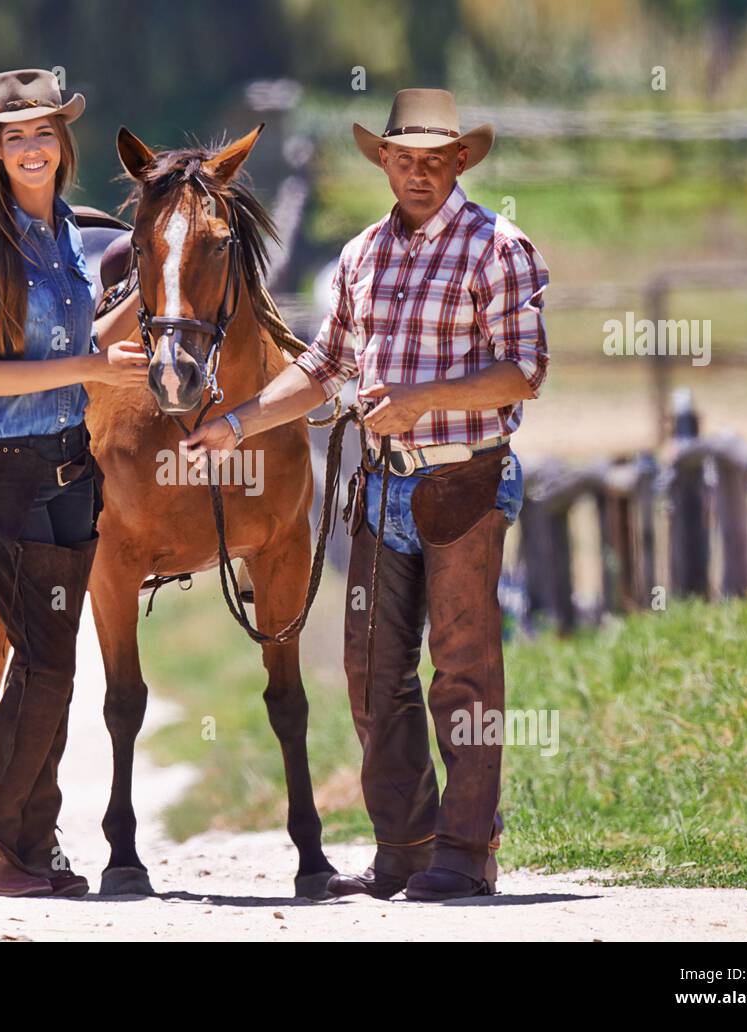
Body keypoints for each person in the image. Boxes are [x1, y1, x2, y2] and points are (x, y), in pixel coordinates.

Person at [184, 89, 549, 901]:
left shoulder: (499, 247)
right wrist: (237, 424)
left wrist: (422, 399)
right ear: (383, 161)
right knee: (371, 671)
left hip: (465, 477)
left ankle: (466, 847)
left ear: (460, 162)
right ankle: (406, 847)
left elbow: (524, 369)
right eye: (403, 158)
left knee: (463, 668)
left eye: (434, 160)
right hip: (382, 484)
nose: (418, 173)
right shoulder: (361, 256)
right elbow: (322, 369)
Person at [0, 68, 147, 897]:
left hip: (68, 454)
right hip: (2, 467)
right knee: (42, 659)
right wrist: (95, 366)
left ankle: (27, 849)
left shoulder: (68, 234)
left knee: (55, 658)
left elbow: (77, 341)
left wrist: (141, 311)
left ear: (64, 144)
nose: (32, 147)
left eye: (45, 133)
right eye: (15, 135)